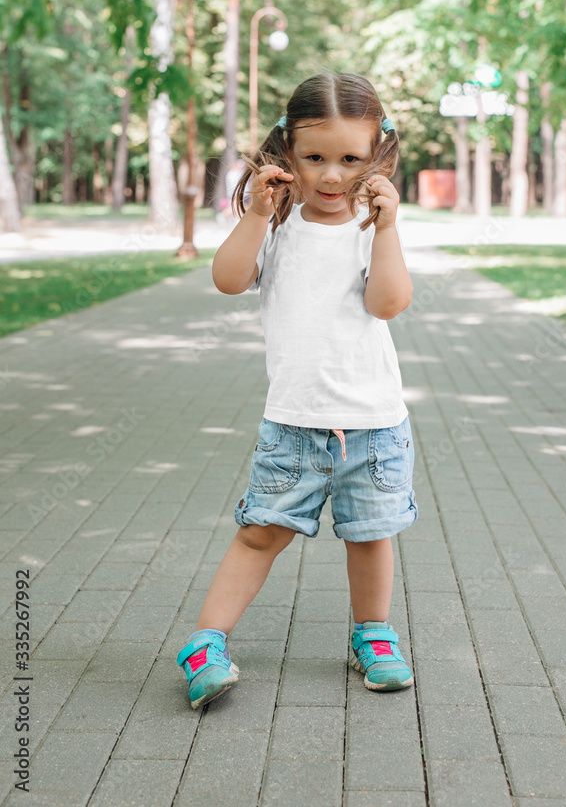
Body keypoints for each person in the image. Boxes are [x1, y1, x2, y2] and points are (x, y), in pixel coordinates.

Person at [176, 72, 417, 710]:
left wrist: (388, 231)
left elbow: (388, 303)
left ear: (377, 157)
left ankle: (374, 634)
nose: (332, 176)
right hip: (294, 422)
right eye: (315, 159)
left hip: (373, 422)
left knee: (370, 533)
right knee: (261, 533)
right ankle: (206, 643)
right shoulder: (277, 222)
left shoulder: (372, 226)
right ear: (287, 152)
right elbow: (229, 280)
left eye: (350, 159)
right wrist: (256, 213)